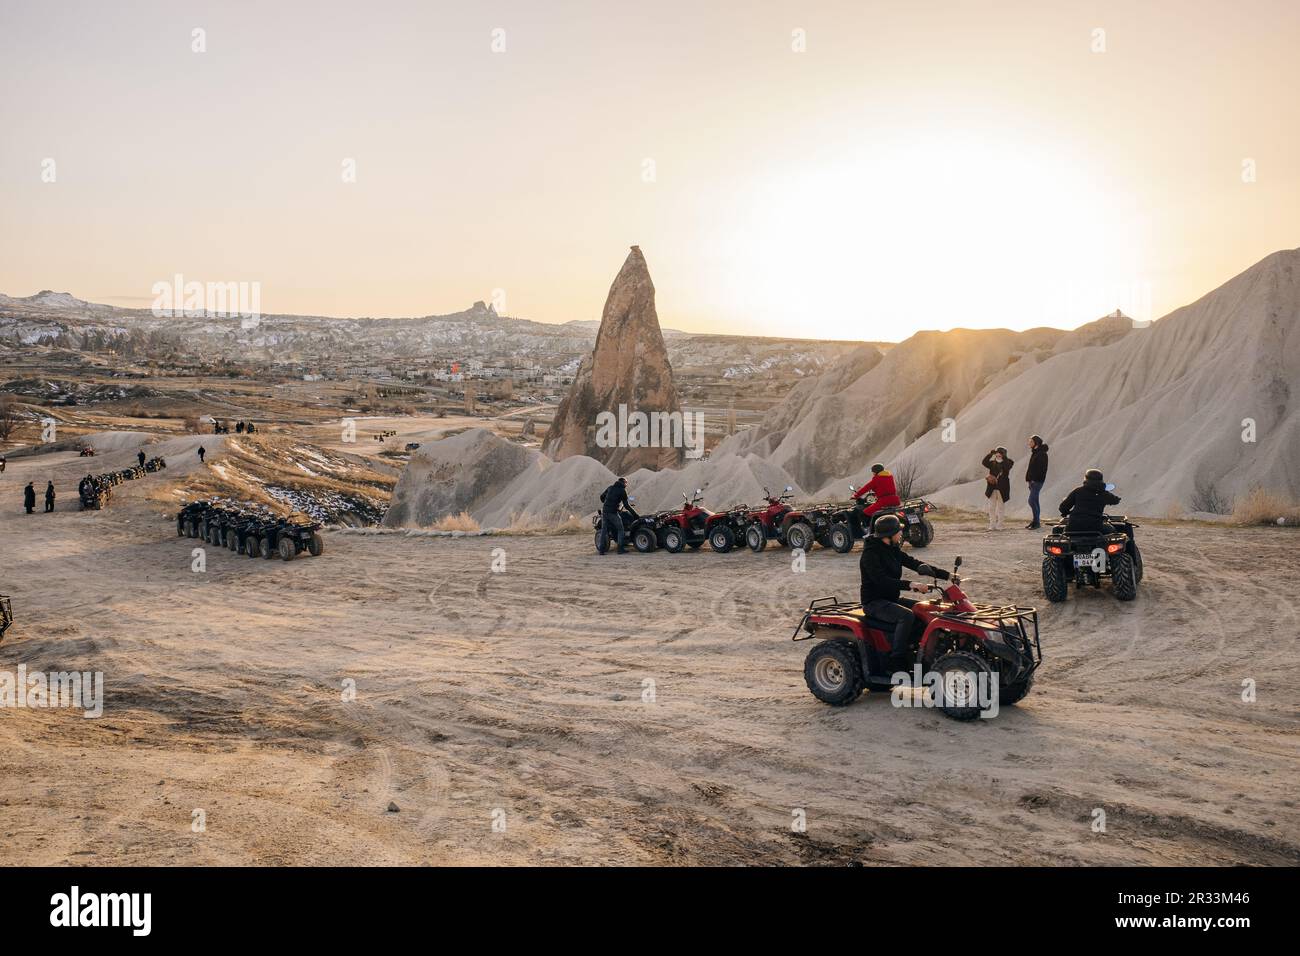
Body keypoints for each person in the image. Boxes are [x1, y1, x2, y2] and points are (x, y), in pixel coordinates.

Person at [859, 513, 951, 669]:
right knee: (906, 616)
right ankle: (897, 660)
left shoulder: (892, 549)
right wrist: (911, 585)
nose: (901, 533)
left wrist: (947, 575)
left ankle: (920, 653)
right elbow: (882, 582)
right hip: (874, 602)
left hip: (891, 599)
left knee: (926, 610)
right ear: (889, 535)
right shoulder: (870, 555)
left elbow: (914, 563)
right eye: (898, 531)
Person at [1059, 468, 1121, 534]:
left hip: (1074, 527)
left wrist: (1066, 512)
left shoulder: (1078, 491)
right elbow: (1116, 500)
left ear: (1086, 479)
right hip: (1096, 527)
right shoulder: (1104, 493)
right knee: (1114, 533)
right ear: (1101, 480)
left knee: (1058, 532)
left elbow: (1063, 507)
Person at [598, 476, 637, 554]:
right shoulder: (622, 490)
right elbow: (626, 505)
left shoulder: (610, 488)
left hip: (605, 511)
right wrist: (635, 515)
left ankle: (601, 550)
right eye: (626, 483)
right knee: (620, 529)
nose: (626, 484)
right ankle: (620, 549)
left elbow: (602, 497)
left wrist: (607, 502)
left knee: (604, 530)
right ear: (624, 483)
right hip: (613, 512)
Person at [981, 446, 1014, 531]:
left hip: (1002, 488)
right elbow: (984, 462)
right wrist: (990, 454)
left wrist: (1004, 457)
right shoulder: (992, 463)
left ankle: (1000, 525)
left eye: (1000, 453)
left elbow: (1007, 467)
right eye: (997, 453)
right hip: (992, 488)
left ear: (1003, 454)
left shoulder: (1009, 462)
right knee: (991, 507)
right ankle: (992, 525)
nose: (998, 455)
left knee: (1001, 507)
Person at [1024, 435, 1049, 529]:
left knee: (1031, 501)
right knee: (1035, 501)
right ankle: (1035, 521)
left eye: (1031, 441)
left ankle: (1036, 522)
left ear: (1036, 443)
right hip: (1032, 481)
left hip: (1037, 481)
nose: (1029, 443)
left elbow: (1043, 469)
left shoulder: (1042, 454)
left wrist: (1035, 480)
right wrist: (1029, 479)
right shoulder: (1035, 452)